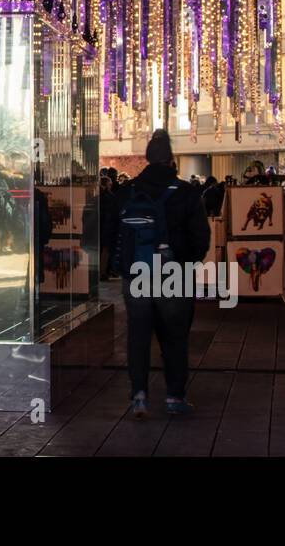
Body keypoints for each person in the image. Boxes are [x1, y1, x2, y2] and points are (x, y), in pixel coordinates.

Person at [103, 130, 210, 418]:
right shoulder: (187, 193)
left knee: (137, 335)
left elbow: (109, 234)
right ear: (171, 159)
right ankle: (174, 398)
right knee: (175, 337)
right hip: (174, 274)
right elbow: (201, 240)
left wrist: (121, 265)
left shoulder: (125, 193)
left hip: (135, 274)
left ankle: (139, 395)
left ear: (147, 158)